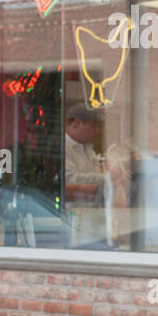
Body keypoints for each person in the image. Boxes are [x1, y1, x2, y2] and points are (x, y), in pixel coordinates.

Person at [63, 103, 126, 249]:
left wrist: (115, 182)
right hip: (73, 222)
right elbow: (70, 179)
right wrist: (107, 177)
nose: (97, 131)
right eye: (93, 126)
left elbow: (95, 181)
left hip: (92, 220)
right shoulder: (64, 148)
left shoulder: (88, 149)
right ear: (76, 123)